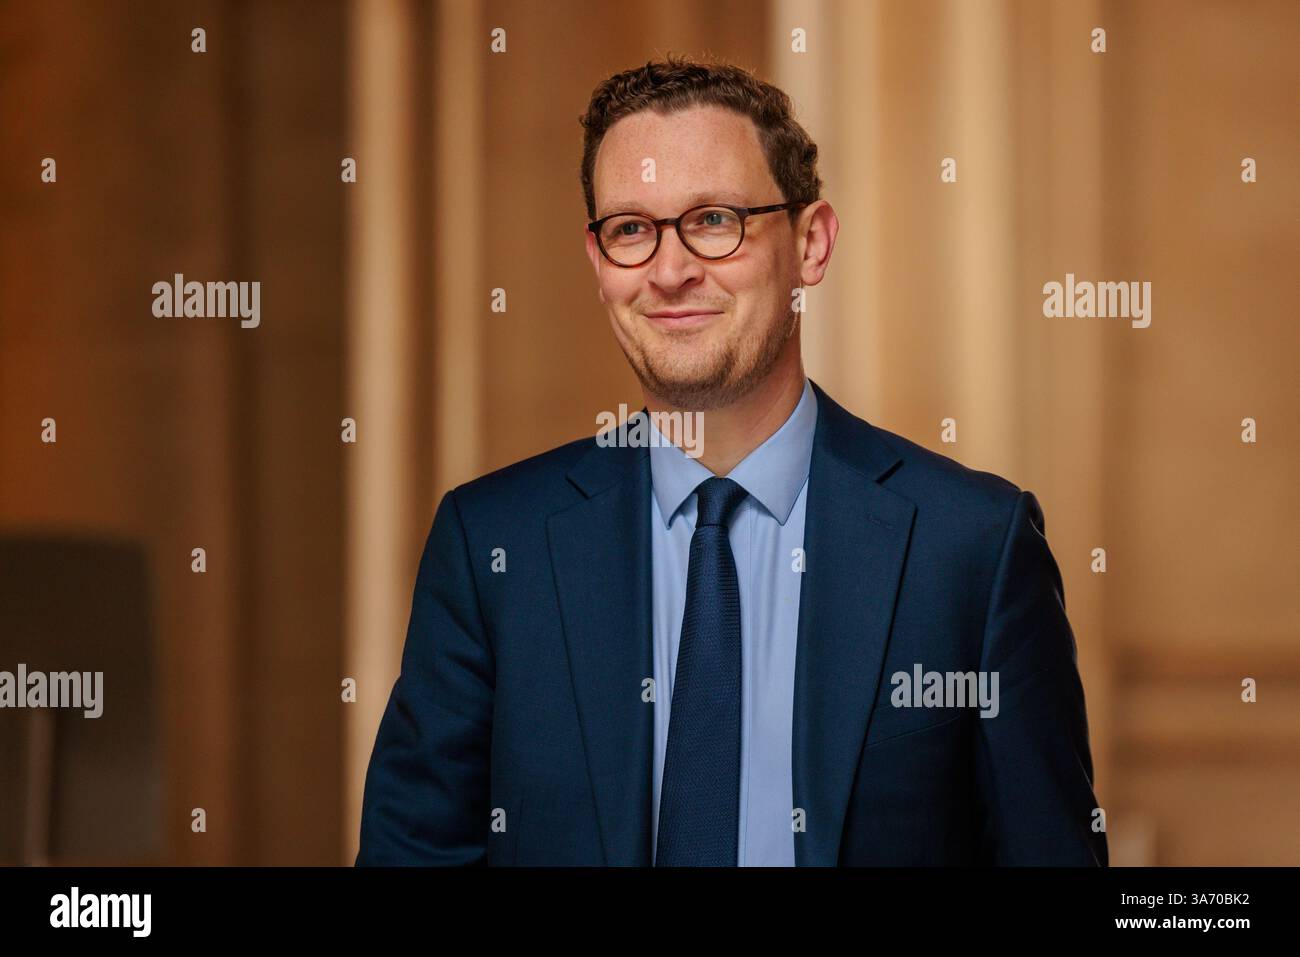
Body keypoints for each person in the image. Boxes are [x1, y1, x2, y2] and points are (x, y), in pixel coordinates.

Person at [356, 55, 1106, 867]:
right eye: (632, 230)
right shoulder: (492, 545)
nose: (671, 270)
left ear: (810, 244)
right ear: (599, 263)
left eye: (714, 220)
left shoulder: (971, 548)